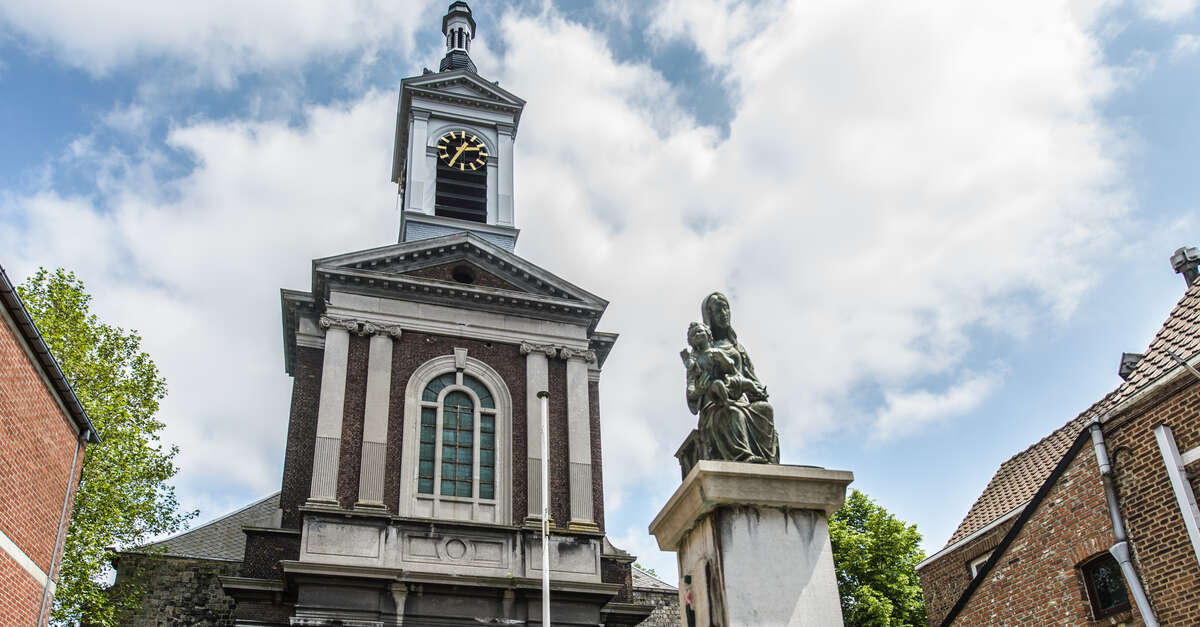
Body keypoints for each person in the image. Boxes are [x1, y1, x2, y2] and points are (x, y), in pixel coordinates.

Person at [682, 292, 779, 464]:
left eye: (725, 309)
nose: (723, 314)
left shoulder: (737, 348)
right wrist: (701, 388)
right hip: (715, 404)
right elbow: (692, 393)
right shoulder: (698, 355)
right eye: (718, 311)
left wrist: (757, 391)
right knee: (732, 414)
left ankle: (769, 466)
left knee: (765, 409)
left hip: (739, 397)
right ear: (709, 317)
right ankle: (745, 457)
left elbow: (749, 376)